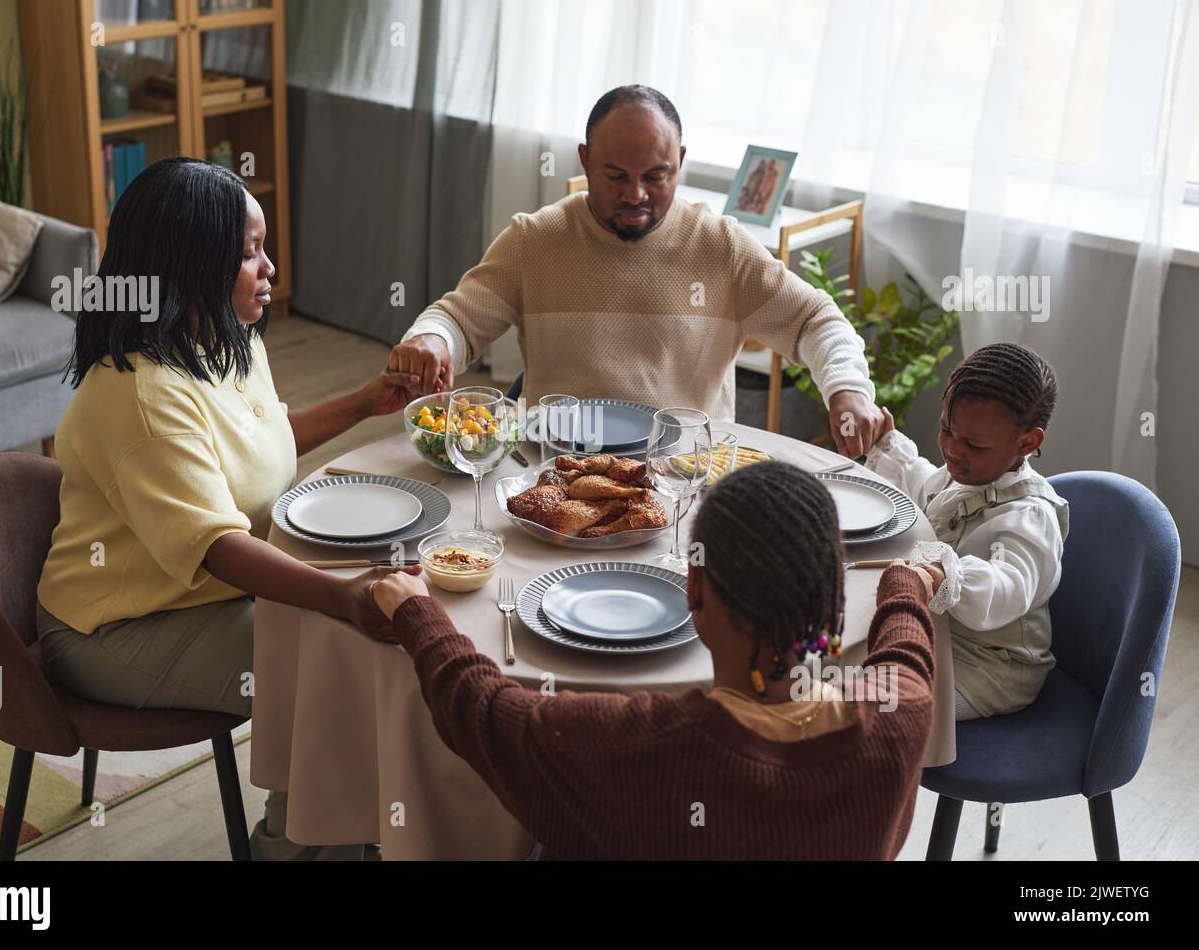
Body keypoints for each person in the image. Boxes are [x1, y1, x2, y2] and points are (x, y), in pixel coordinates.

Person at [34, 157, 420, 858]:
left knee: (346, 648)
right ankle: (298, 843)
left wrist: (367, 401)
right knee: (339, 660)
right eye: (249, 253)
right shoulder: (139, 396)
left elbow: (262, 435)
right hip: (116, 630)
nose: (269, 267)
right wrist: (341, 596)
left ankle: (318, 830)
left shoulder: (228, 342)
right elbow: (216, 544)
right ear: (191, 263)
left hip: (201, 596)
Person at [367, 461, 941, 859]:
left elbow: (482, 709)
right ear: (836, 605)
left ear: (694, 592)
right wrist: (904, 583)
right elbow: (906, 649)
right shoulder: (904, 714)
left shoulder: (631, 744)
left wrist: (418, 612)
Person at [387, 84, 884, 458]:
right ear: (585, 161)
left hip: (682, 478)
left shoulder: (720, 246)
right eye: (616, 176)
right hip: (554, 475)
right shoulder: (534, 240)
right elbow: (457, 320)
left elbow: (815, 321)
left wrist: (847, 389)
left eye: (655, 176)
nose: (636, 195)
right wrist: (431, 339)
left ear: (681, 163)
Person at [865, 342, 1069, 720]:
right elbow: (927, 490)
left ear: (1028, 442)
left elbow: (1007, 589)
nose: (953, 451)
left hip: (989, 669)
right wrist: (888, 447)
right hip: (937, 634)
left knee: (878, 706)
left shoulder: (1030, 517)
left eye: (974, 444)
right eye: (947, 429)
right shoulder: (967, 473)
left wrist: (948, 574)